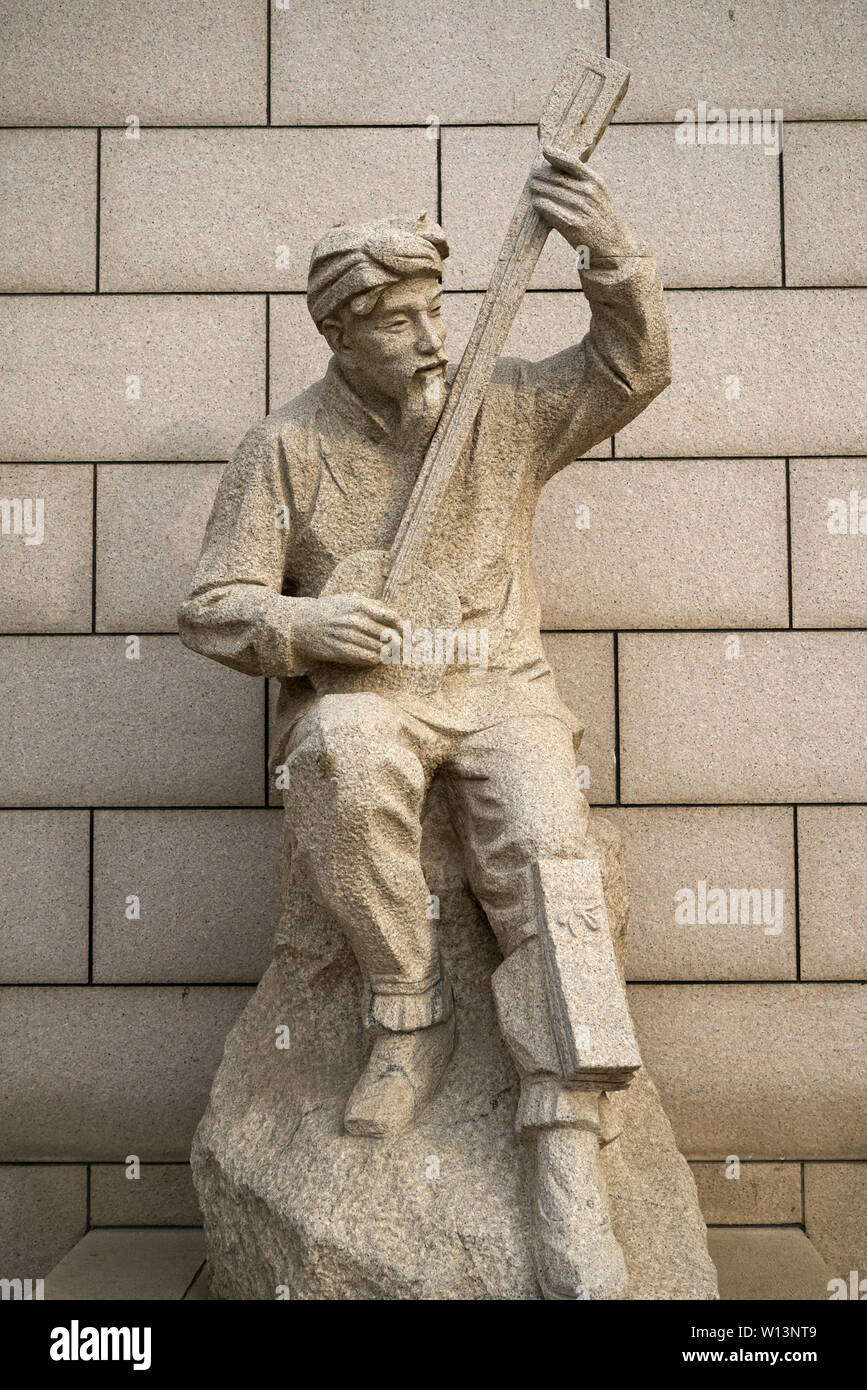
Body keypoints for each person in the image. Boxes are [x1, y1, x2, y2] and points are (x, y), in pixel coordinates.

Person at [179, 158, 671, 1299]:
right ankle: (410, 1013)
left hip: (500, 684)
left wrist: (613, 258)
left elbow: (630, 368)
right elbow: (214, 605)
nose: (429, 339)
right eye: (396, 323)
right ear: (339, 339)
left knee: (555, 857)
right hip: (378, 695)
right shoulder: (285, 447)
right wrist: (307, 621)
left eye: (434, 311)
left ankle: (566, 1155)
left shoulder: (501, 402)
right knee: (340, 760)